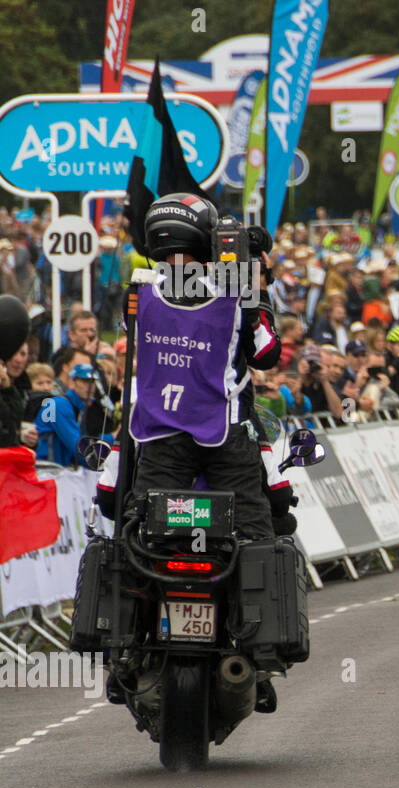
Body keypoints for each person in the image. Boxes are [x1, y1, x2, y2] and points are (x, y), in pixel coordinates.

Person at [123, 193, 281, 541]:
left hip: (160, 431)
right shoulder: (235, 291)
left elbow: (179, 289)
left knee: (140, 532)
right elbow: (266, 353)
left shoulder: (138, 294)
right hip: (225, 435)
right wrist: (257, 283)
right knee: (254, 536)